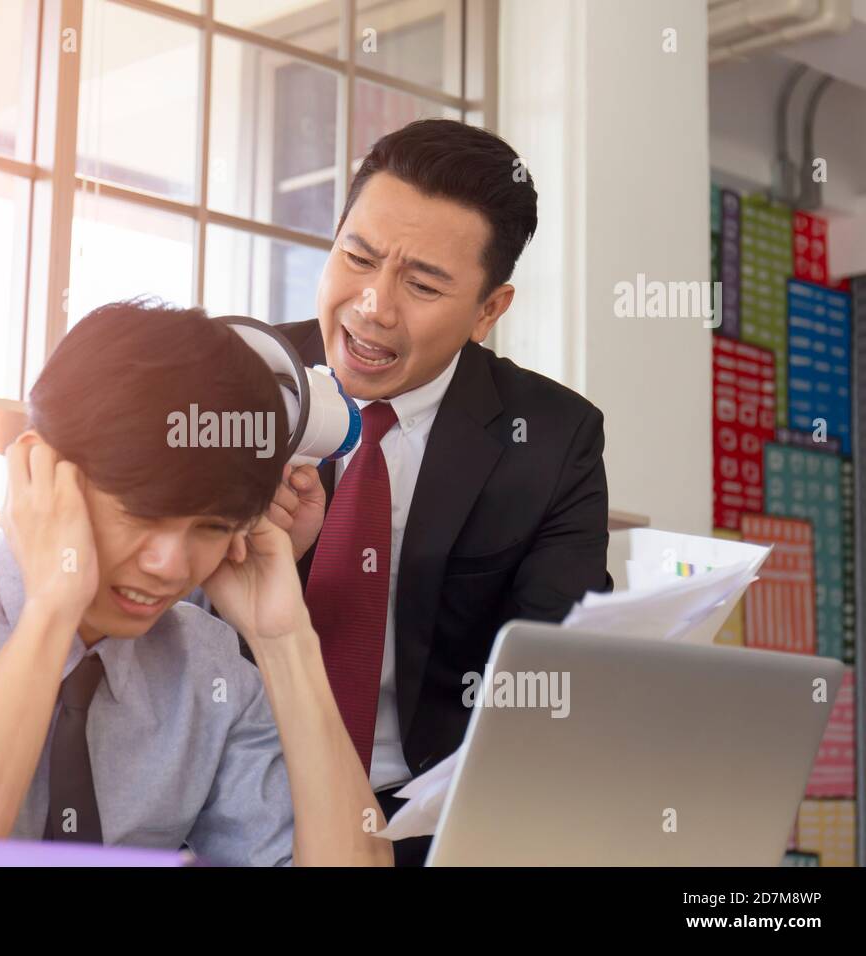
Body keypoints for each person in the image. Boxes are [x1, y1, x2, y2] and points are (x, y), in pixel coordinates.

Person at [0, 299, 392, 867]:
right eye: (142, 515)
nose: (170, 565)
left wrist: (285, 643)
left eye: (210, 527)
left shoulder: (206, 669)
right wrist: (52, 611)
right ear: (38, 471)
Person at [265, 119, 613, 866]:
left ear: (490, 310)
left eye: (421, 285)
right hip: (242, 784)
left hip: (433, 819)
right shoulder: (242, 382)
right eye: (356, 258)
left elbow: (557, 669)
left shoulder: (553, 440)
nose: (373, 307)